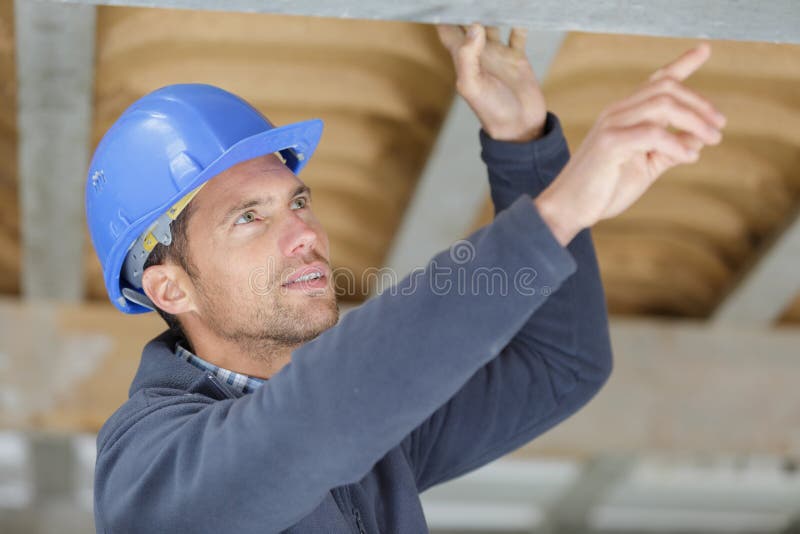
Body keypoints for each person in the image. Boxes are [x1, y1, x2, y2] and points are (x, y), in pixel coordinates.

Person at [86, 23, 725, 533]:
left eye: (298, 203)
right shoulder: (149, 471)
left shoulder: (371, 437)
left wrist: (523, 144)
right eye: (249, 218)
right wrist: (558, 211)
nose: (305, 234)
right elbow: (305, 424)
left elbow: (561, 364)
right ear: (172, 288)